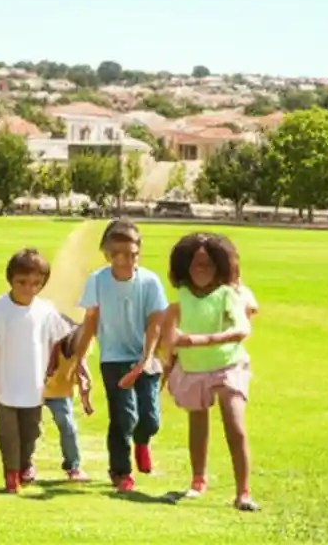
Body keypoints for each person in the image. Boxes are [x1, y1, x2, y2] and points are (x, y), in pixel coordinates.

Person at [162, 233, 258, 511]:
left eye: (208, 265)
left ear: (220, 268)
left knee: (234, 424)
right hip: (194, 369)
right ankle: (198, 481)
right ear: (184, 268)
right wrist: (168, 364)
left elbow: (242, 329)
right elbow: (170, 338)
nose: (201, 270)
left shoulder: (227, 295)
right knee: (198, 424)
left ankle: (243, 492)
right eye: (195, 264)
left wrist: (197, 340)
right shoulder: (181, 298)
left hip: (228, 366)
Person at [74, 219, 168, 493]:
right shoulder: (97, 281)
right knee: (123, 417)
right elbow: (90, 321)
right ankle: (121, 472)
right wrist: (80, 359)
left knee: (150, 420)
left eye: (133, 254)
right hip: (113, 358)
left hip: (145, 357)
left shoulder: (150, 281)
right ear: (107, 254)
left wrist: (145, 359)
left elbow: (155, 323)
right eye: (120, 254)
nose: (127, 260)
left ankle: (142, 442)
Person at [0, 248, 72, 494]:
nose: (28, 288)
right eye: (22, 282)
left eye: (35, 283)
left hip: (33, 386)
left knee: (30, 430)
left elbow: (57, 342)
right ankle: (11, 474)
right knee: (8, 433)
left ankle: (24, 464)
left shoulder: (46, 310)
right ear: (11, 279)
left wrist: (56, 371)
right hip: (4, 385)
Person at [41, 314, 93, 483]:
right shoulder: (51, 344)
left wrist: (86, 396)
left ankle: (73, 466)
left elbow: (82, 368)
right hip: (37, 390)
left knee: (69, 427)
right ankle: (24, 465)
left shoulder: (81, 346)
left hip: (61, 393)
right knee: (31, 430)